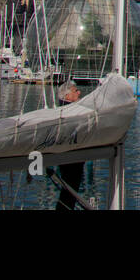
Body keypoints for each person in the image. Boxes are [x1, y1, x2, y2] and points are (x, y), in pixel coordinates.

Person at [54, 80, 84, 210]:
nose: (79, 92)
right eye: (75, 90)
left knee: (70, 190)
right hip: (70, 156)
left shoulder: (70, 110)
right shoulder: (69, 112)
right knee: (70, 189)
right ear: (67, 96)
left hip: (73, 155)